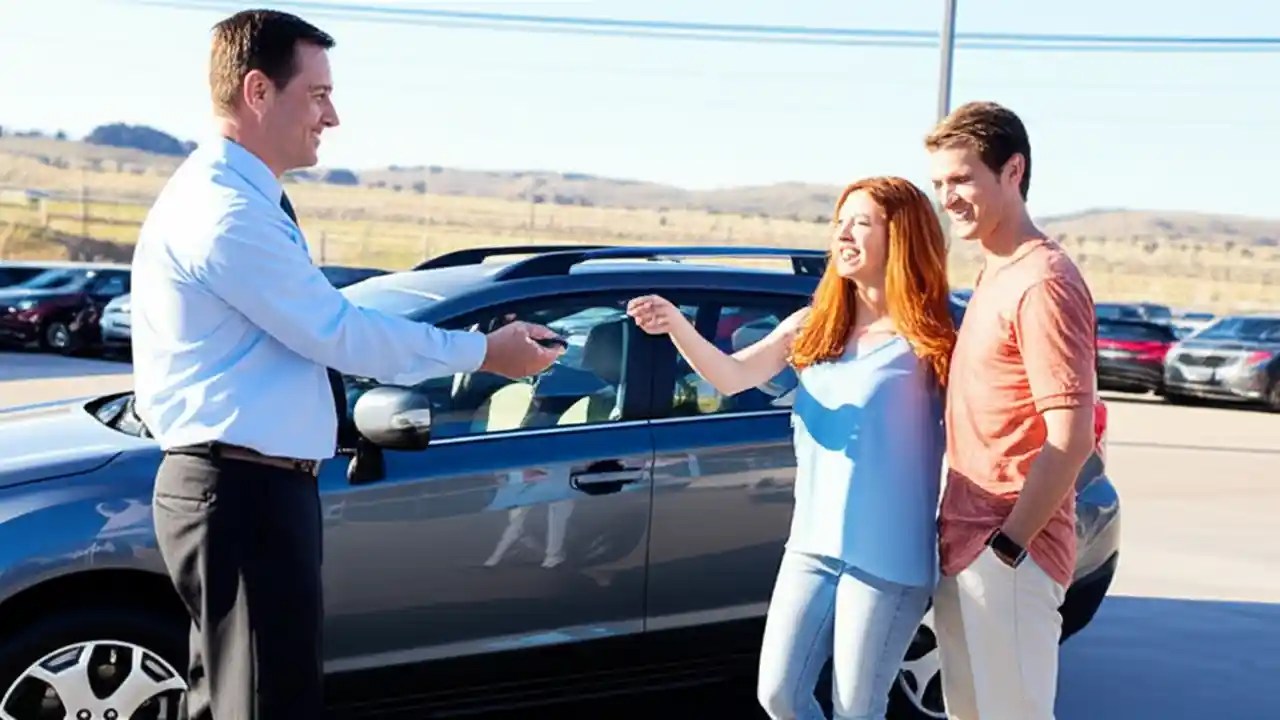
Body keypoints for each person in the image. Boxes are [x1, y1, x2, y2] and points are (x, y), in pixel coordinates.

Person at [129, 9, 562, 718]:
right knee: (268, 704)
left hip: (245, 487)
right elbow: (338, 334)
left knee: (237, 701)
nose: (332, 116)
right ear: (258, 91)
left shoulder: (236, 197)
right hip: (240, 490)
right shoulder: (225, 212)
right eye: (318, 94)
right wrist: (484, 352)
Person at [627, 176, 956, 719]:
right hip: (811, 546)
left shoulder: (931, 340)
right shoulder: (814, 325)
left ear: (901, 238)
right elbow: (731, 377)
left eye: (862, 222)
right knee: (779, 694)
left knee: (856, 709)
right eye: (840, 222)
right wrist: (677, 326)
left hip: (888, 559)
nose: (844, 234)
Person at [924, 101, 1098, 720]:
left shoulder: (1043, 280)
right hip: (963, 544)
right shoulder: (995, 273)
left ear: (1012, 170)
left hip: (1009, 554)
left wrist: (1009, 544)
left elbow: (1072, 435)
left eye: (962, 178)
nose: (948, 197)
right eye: (940, 183)